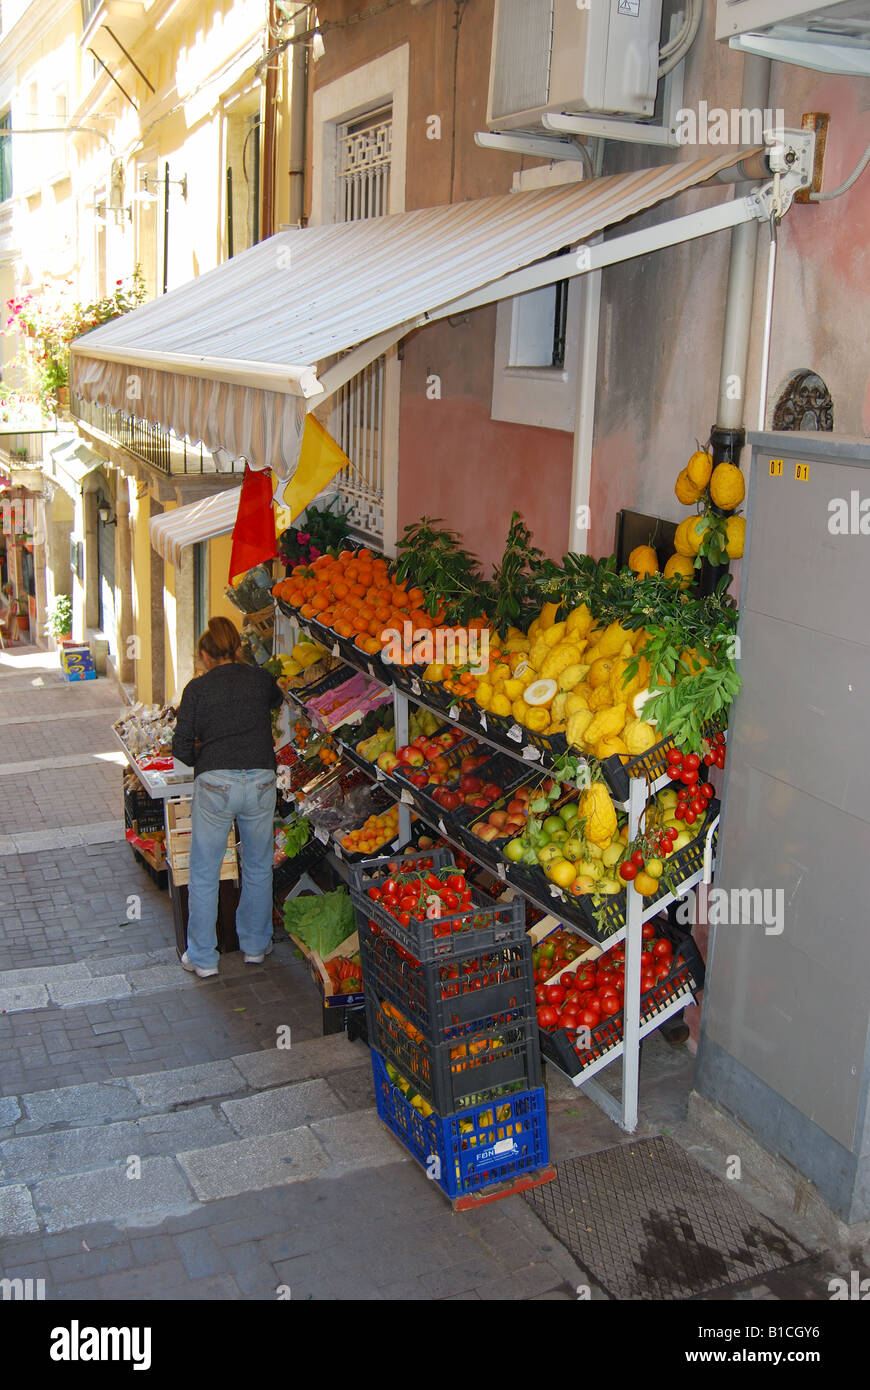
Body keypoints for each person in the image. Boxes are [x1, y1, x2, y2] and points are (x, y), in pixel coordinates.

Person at [171, 616, 283, 978]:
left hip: (216, 782)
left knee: (204, 873)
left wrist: (208, 752)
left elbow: (181, 748)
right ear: (237, 648)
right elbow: (276, 698)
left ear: (205, 655)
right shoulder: (259, 679)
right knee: (257, 865)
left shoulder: (197, 690)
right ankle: (254, 945)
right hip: (262, 780)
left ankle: (203, 958)